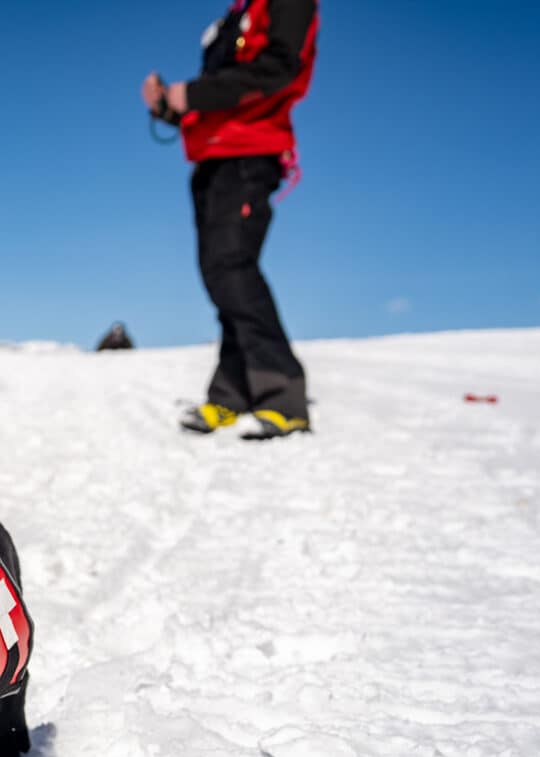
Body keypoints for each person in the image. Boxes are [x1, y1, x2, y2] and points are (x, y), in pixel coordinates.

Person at [143, 0, 318, 439]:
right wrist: (167, 107)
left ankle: (284, 394)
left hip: (249, 154)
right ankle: (232, 394)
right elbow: (218, 98)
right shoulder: (234, 16)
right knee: (221, 276)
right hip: (214, 155)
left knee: (232, 267)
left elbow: (280, 69)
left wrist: (194, 93)